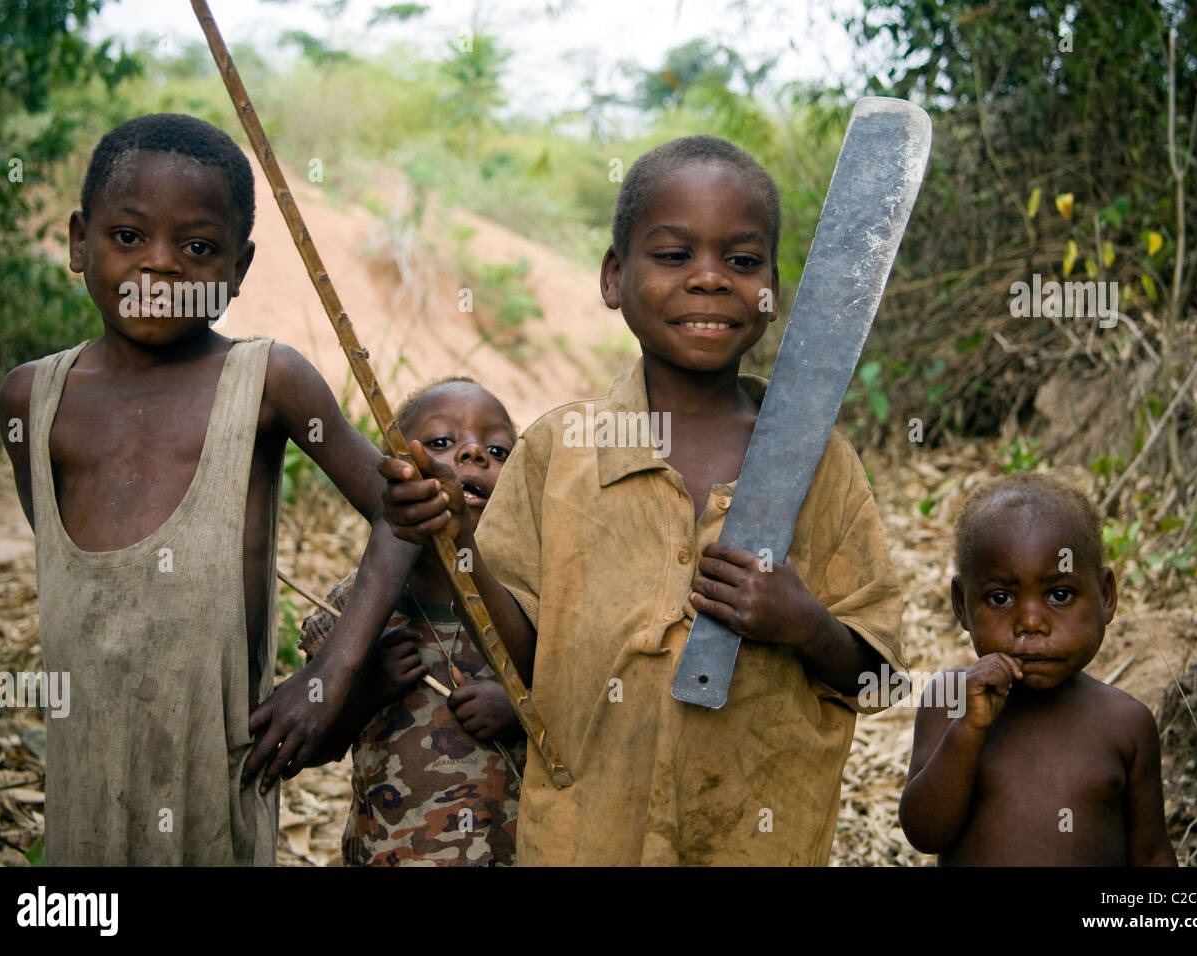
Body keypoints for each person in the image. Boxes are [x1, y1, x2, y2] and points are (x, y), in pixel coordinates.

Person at [379, 135, 906, 865]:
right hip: (586, 839)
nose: (711, 279)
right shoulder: (558, 455)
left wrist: (806, 625)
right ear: (613, 276)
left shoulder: (823, 468)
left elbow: (877, 679)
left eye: (743, 261)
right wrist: (456, 540)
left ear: (774, 289)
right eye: (673, 255)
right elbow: (523, 656)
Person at [0, 113, 415, 865]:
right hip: (84, 786)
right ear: (76, 241)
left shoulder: (267, 383)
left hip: (217, 777)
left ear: (238, 268)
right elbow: (77, 578)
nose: (160, 267)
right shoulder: (33, 400)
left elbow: (399, 511)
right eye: (128, 237)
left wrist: (331, 670)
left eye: (196, 247)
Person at [298, 378, 526, 866]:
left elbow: (582, 711)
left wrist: (520, 706)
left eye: (498, 449)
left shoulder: (535, 599)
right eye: (442, 443)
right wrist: (364, 688)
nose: (473, 455)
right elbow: (315, 745)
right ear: (387, 476)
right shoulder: (350, 607)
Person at [898, 471, 1177, 865]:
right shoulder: (950, 701)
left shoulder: (1127, 723)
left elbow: (1151, 854)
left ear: (1106, 596)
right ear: (961, 604)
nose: (1030, 622)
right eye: (1000, 598)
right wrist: (968, 730)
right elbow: (926, 832)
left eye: (1059, 594)